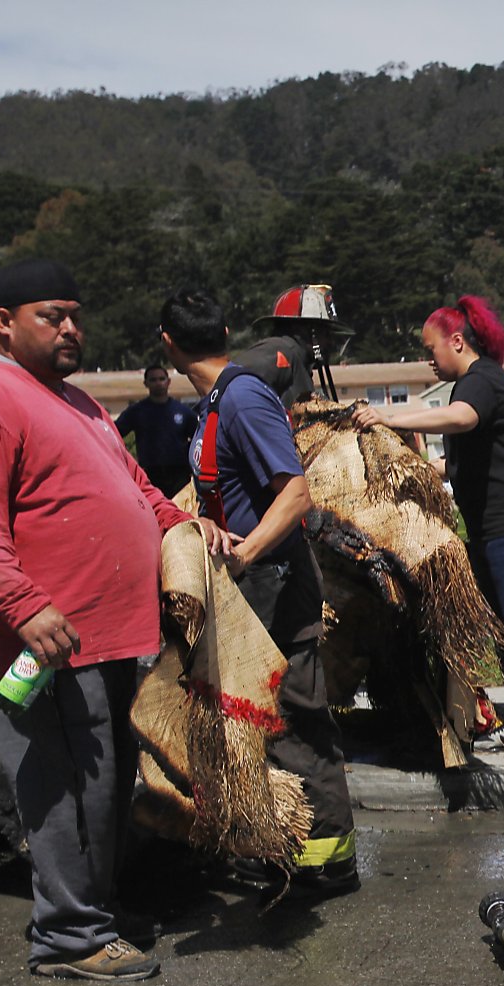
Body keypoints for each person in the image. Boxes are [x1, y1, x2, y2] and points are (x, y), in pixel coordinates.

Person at [0, 258, 228, 981]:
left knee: (106, 785)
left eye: (74, 314)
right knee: (59, 790)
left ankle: (93, 910)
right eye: (50, 316)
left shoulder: (78, 403)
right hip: (39, 647)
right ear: (4, 323)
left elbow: (137, 488)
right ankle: (67, 937)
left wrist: (181, 526)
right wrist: (25, 606)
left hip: (109, 638)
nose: (70, 328)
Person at [160, 288, 360, 892]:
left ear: (167, 345)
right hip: (253, 588)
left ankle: (328, 858)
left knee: (296, 716)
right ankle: (286, 845)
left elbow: (294, 494)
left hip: (278, 584)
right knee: (266, 721)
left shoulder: (243, 398)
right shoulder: (220, 400)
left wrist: (244, 552)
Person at [353, 298, 504, 766]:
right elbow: (461, 457)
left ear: (457, 342)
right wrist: (421, 470)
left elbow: (462, 420)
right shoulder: (472, 385)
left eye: (431, 349)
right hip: (493, 527)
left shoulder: (481, 382)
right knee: (503, 626)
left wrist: (389, 416)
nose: (427, 359)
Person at [113, 364, 194, 497]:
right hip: (150, 476)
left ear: (168, 382)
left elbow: (199, 438)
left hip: (179, 476)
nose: (158, 383)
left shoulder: (182, 411)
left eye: (161, 379)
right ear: (146, 383)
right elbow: (114, 434)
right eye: (153, 380)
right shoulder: (137, 411)